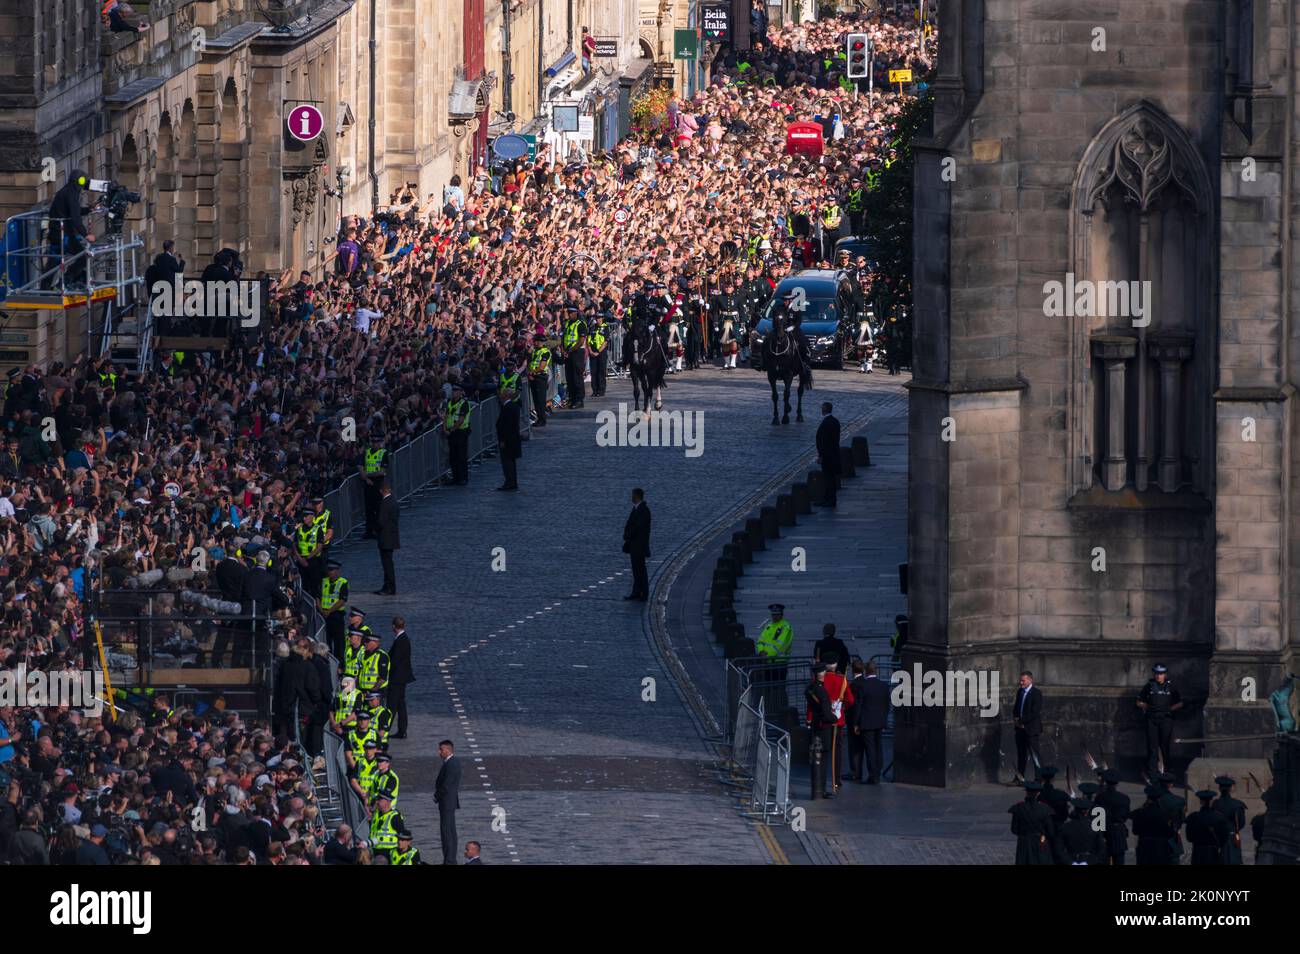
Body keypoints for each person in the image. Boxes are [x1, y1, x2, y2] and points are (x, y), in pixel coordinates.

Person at [1136, 664, 1182, 774]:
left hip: (1166, 719)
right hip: (1152, 719)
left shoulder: (1171, 686)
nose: (1158, 676)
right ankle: (1152, 772)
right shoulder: (1149, 686)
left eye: (1161, 673)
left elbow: (1180, 703)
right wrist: (1146, 706)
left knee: (1165, 746)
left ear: (1165, 674)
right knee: (1152, 747)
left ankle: (1167, 771)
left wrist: (1169, 709)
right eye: (1156, 673)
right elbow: (1138, 702)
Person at [852, 659, 890, 784]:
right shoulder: (884, 686)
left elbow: (858, 706)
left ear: (866, 672)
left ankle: (873, 775)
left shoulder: (863, 686)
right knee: (878, 747)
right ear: (876, 671)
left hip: (866, 722)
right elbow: (887, 704)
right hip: (879, 721)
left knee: (870, 749)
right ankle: (878, 771)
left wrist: (856, 723)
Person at [819, 653, 854, 789]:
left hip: (824, 719)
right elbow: (850, 700)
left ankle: (821, 779)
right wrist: (843, 706)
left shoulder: (820, 679)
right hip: (838, 720)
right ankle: (836, 779)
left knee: (823, 750)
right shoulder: (841, 680)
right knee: (837, 751)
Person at [805, 662, 836, 798]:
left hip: (816, 725)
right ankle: (820, 789)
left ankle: (819, 789)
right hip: (824, 727)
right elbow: (825, 711)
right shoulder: (821, 691)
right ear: (821, 674)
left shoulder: (811, 689)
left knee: (818, 756)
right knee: (823, 758)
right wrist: (834, 718)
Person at [756, 603, 793, 713]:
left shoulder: (786, 627)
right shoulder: (769, 625)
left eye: (777, 614)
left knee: (779, 689)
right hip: (768, 663)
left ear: (781, 615)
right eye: (773, 615)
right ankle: (771, 709)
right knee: (769, 688)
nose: (775, 617)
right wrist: (760, 651)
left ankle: (781, 710)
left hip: (779, 663)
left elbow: (780, 646)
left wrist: (766, 654)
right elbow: (760, 640)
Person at [1008, 780, 1054, 865]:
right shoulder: (1044, 808)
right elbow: (1050, 831)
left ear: (1026, 793)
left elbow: (1014, 829)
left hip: (1024, 841)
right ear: (1038, 793)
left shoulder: (1019, 808)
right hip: (1039, 841)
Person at [1131, 785, 1178, 865]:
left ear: (1148, 798)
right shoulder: (1165, 814)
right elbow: (1170, 833)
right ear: (1159, 799)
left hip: (1144, 847)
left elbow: (1135, 831)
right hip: (1160, 848)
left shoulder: (1140, 813)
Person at [1011, 670, 1042, 783]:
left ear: (1030, 680)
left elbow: (1035, 712)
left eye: (1023, 680)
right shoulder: (1020, 692)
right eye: (1020, 680)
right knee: (1021, 754)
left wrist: (1022, 721)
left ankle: (1039, 779)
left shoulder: (1036, 693)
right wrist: (1015, 719)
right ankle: (1019, 778)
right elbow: (1016, 708)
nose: (1021, 683)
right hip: (1020, 729)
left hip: (1031, 729)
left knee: (1035, 755)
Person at [1095, 768, 1131, 865]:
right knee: (1119, 860)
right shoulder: (1124, 798)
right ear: (1117, 783)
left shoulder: (1099, 797)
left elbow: (1096, 817)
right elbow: (1125, 816)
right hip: (1118, 831)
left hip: (1103, 831)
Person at [434, 739, 461, 865]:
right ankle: (449, 858)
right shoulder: (450, 762)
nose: (439, 752)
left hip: (447, 802)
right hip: (447, 802)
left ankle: (449, 860)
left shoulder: (452, 763)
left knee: (447, 833)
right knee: (449, 831)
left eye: (441, 749)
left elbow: (446, 784)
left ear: (448, 750)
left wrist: (437, 796)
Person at [1185, 789, 1228, 865]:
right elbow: (1224, 838)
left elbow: (1189, 837)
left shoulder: (1193, 817)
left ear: (1201, 801)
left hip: (1197, 853)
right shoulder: (1219, 817)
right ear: (1211, 801)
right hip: (1213, 853)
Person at [622, 487, 651, 601]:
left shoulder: (643, 510)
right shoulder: (638, 509)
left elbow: (637, 527)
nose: (631, 497)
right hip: (636, 545)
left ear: (637, 496)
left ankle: (642, 593)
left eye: (633, 495)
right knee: (637, 569)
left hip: (639, 546)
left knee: (639, 569)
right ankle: (637, 591)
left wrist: (628, 535)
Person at [388, 616, 414, 739]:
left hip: (396, 679)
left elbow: (395, 660)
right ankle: (402, 730)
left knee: (392, 705)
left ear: (394, 626)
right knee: (400, 705)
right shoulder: (403, 639)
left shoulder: (400, 641)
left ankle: (385, 729)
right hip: (402, 678)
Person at [319, 559, 349, 661]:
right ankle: (327, 660)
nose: (329, 572)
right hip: (324, 615)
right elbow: (318, 597)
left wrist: (329, 611)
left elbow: (342, 600)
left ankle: (339, 662)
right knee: (326, 640)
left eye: (331, 570)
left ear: (337, 571)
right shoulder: (324, 581)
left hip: (336, 616)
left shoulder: (343, 583)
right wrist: (321, 610)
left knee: (339, 642)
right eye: (328, 570)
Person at [441, 383, 472, 485]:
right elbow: (445, 416)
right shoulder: (449, 402)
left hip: (461, 432)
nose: (453, 392)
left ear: (461, 392)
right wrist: (445, 428)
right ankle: (455, 477)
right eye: (453, 390)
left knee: (461, 456)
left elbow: (461, 420)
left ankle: (463, 478)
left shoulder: (464, 403)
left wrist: (451, 430)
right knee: (453, 456)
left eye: (456, 390)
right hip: (451, 433)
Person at [1212, 775, 1246, 865]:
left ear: (1219, 788)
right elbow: (1241, 823)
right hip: (1232, 837)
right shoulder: (1237, 804)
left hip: (1217, 838)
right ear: (1231, 788)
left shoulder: (1215, 804)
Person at [495, 378, 522, 491]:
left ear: (505, 396)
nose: (500, 396)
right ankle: (511, 482)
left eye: (502, 394)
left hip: (508, 440)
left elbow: (506, 426)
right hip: (513, 439)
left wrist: (502, 440)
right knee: (510, 462)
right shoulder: (513, 407)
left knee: (507, 462)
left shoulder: (508, 408)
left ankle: (510, 482)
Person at [360, 433, 389, 537]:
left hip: (378, 483)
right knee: (369, 509)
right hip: (368, 483)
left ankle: (378, 530)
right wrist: (366, 478)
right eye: (373, 442)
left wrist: (367, 475)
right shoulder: (366, 452)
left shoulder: (383, 453)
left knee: (379, 508)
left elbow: (382, 471)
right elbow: (361, 467)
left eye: (377, 442)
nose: (375, 444)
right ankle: (369, 531)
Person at [559, 306, 587, 409]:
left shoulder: (580, 324)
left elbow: (581, 340)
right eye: (568, 312)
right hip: (567, 353)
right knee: (569, 378)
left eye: (571, 313)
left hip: (577, 352)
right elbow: (562, 338)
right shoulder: (566, 323)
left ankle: (579, 400)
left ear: (576, 313)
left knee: (577, 377)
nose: (569, 314)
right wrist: (562, 350)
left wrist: (570, 350)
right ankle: (572, 398)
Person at [815, 402, 841, 507]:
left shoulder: (826, 423)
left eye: (822, 408)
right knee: (830, 477)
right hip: (834, 453)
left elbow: (823, 441)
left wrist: (820, 455)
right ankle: (827, 498)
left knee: (828, 478)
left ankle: (830, 499)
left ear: (825, 409)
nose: (821, 410)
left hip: (827, 455)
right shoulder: (835, 421)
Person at [375, 480, 399, 595]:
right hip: (392, 537)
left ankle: (389, 587)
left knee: (387, 564)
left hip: (385, 537)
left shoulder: (384, 503)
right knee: (388, 562)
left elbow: (381, 521)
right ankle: (388, 585)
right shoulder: (393, 501)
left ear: (381, 491)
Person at [527, 336, 552, 427]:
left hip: (540, 377)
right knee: (536, 400)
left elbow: (541, 367)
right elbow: (531, 363)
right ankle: (539, 418)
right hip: (533, 377)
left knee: (540, 400)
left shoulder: (545, 352)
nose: (533, 343)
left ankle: (542, 419)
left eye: (535, 341)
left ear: (539, 342)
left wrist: (532, 372)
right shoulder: (535, 350)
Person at [588, 312, 611, 397]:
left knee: (601, 372)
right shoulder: (592, 327)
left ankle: (601, 391)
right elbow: (588, 340)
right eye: (597, 318)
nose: (598, 319)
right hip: (592, 351)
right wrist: (590, 351)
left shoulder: (605, 327)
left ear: (602, 318)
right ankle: (594, 390)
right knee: (593, 372)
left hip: (601, 352)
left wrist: (598, 352)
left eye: (599, 318)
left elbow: (605, 341)